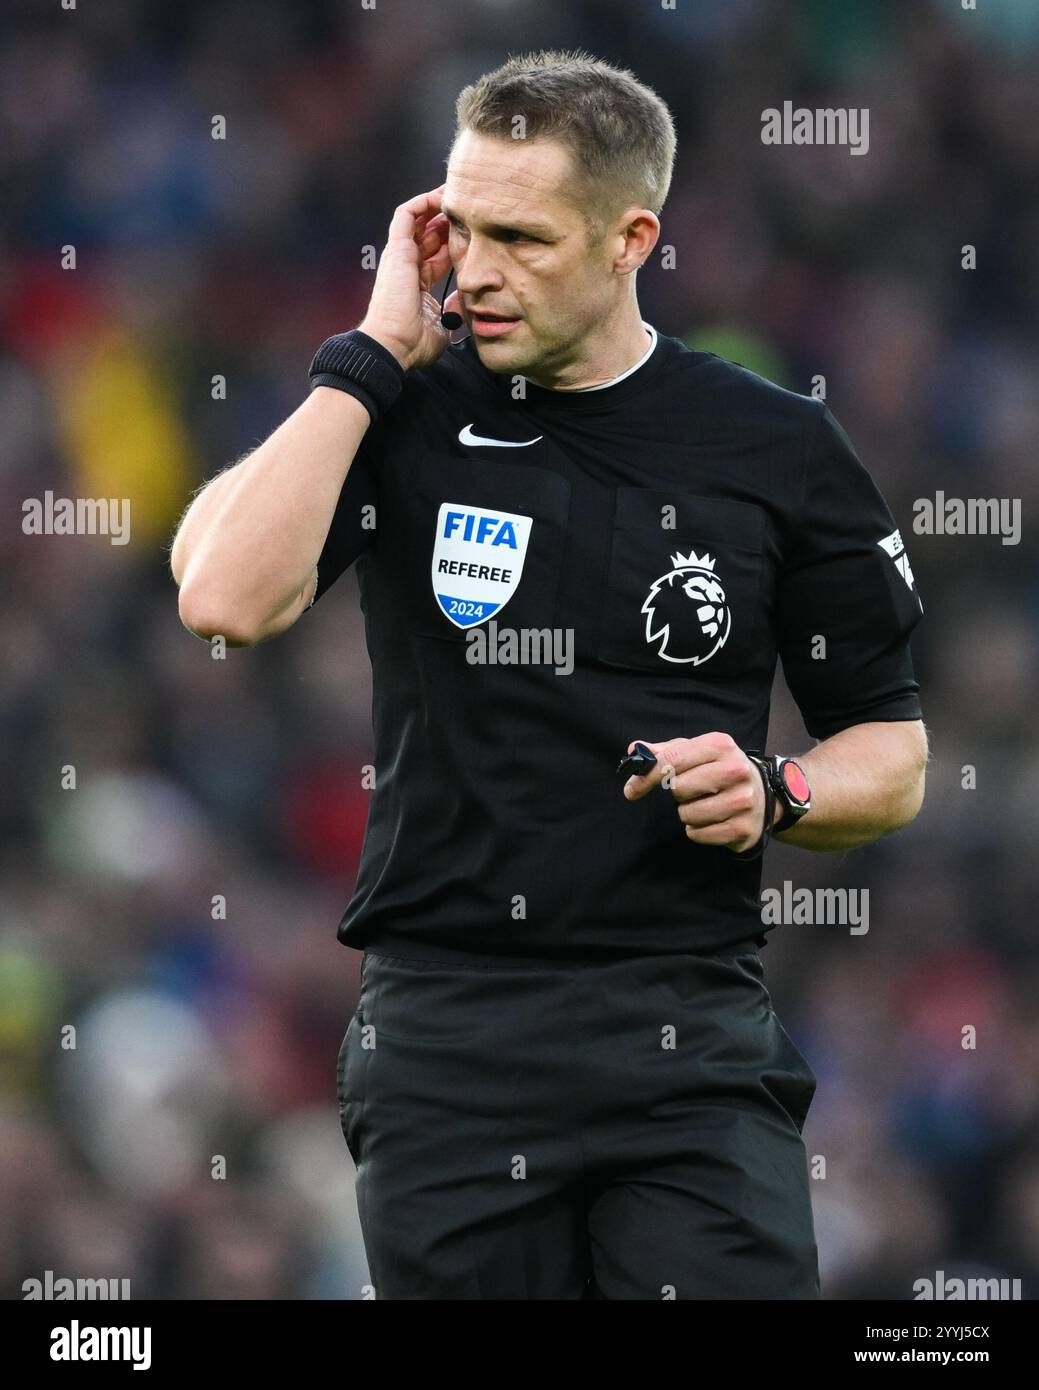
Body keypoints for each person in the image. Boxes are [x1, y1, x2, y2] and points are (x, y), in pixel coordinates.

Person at [170, 49, 928, 1300]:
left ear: (632, 237)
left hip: (682, 1037)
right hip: (447, 1040)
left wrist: (778, 789)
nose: (475, 272)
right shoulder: (398, 406)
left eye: (521, 237)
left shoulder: (775, 447)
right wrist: (367, 351)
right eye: (459, 230)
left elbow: (892, 756)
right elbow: (224, 598)